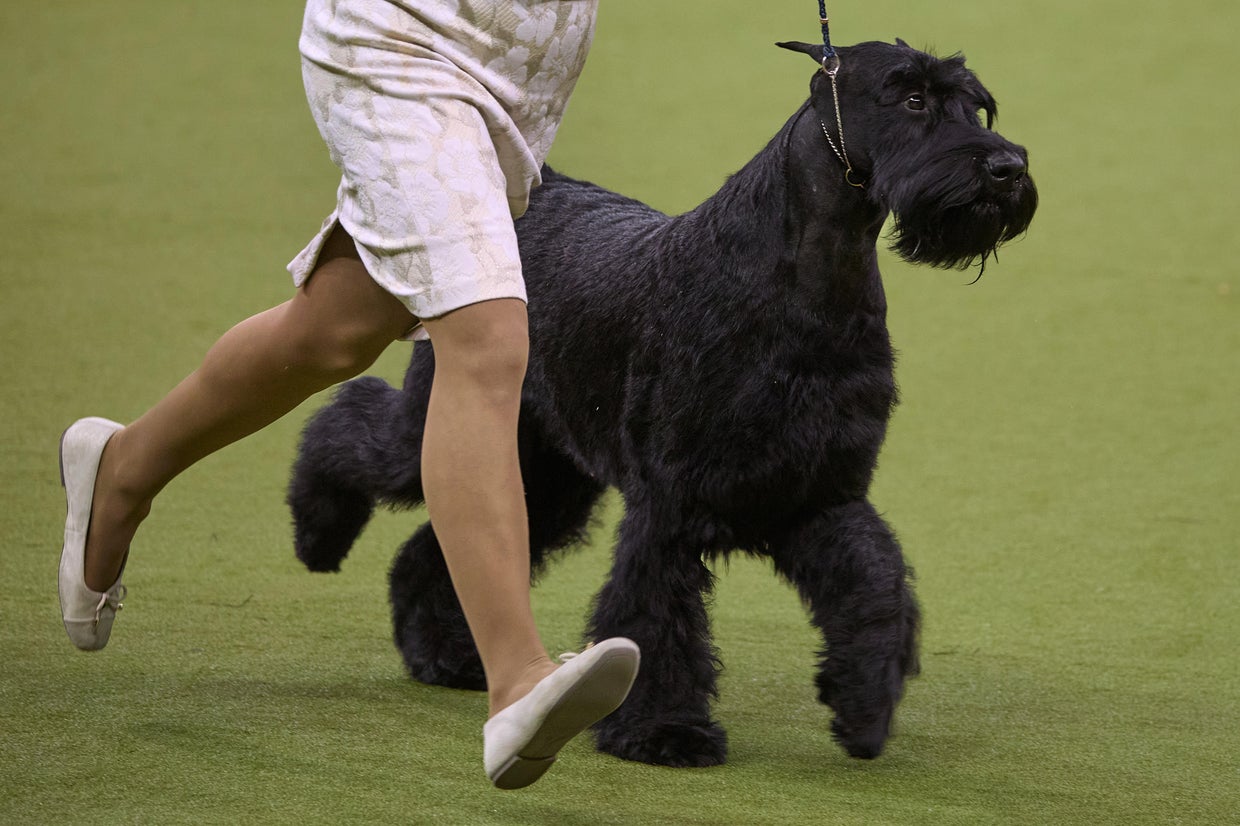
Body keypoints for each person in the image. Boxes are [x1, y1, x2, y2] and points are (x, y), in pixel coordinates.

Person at [56, 0, 639, 790]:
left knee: (337, 329)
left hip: (518, 74)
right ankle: (519, 679)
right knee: (489, 336)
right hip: (401, 44)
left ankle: (122, 466)